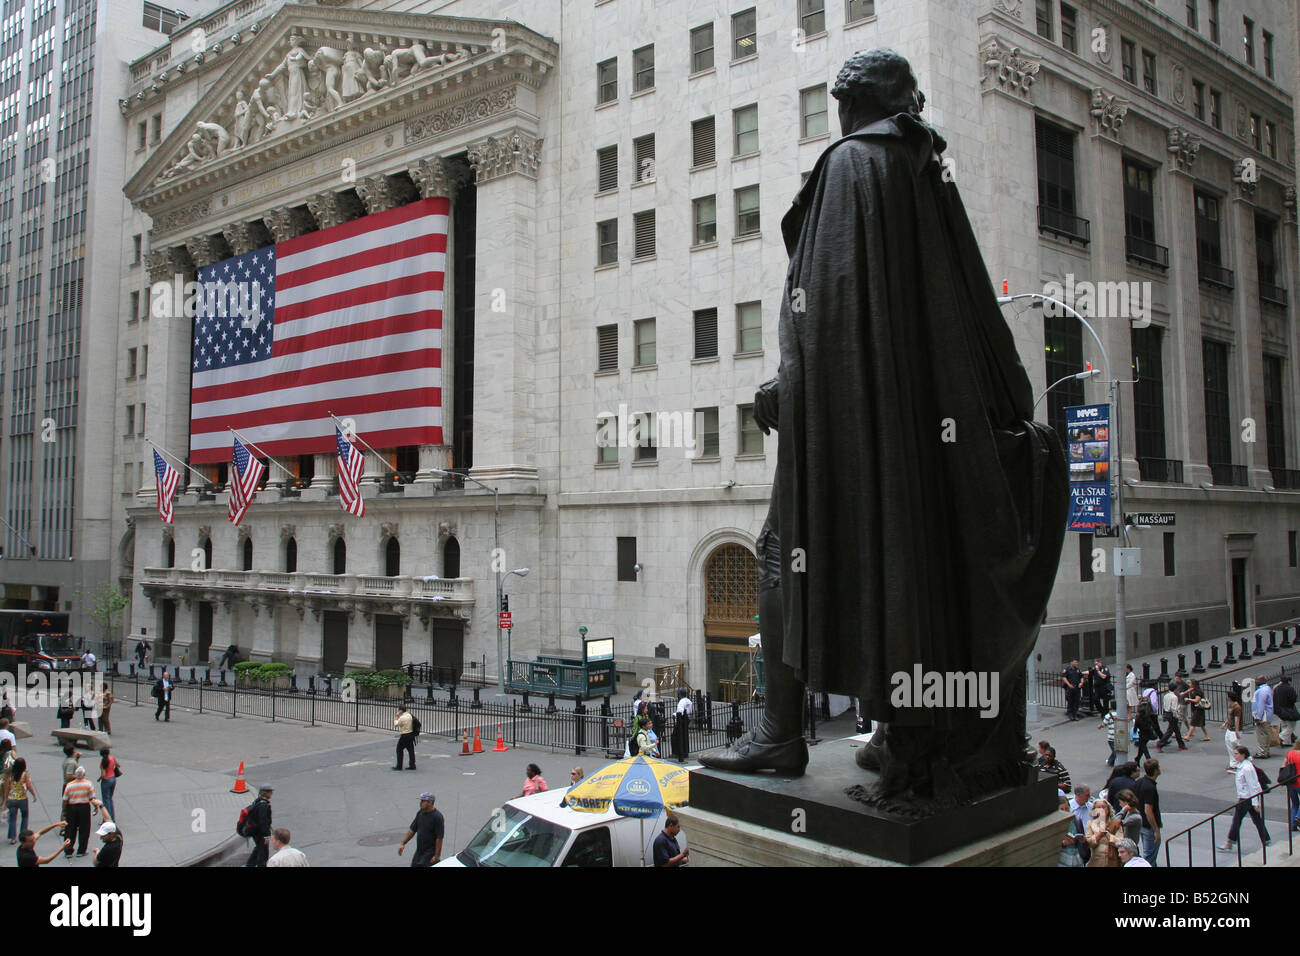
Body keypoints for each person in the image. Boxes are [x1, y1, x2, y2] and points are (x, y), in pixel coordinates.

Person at [697, 50, 1068, 804]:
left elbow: (828, 305)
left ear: (845, 102)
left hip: (852, 428)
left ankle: (778, 734)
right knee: (907, 568)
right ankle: (908, 731)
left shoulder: (853, 166)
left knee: (777, 553)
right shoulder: (923, 170)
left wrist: (787, 389)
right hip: (921, 431)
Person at [1219, 746, 1272, 852]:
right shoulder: (1244, 765)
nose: (1235, 756)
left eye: (1236, 754)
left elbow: (1253, 785)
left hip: (1246, 798)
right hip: (1247, 797)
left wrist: (1255, 803)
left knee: (1237, 820)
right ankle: (1266, 840)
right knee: (1257, 820)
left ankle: (1230, 842)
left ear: (1243, 754)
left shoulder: (1247, 768)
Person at [397, 792, 443, 866]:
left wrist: (437, 856)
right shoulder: (420, 813)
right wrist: (403, 843)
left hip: (430, 853)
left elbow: (439, 838)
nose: (420, 803)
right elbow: (412, 829)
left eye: (423, 801)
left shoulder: (437, 817)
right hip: (419, 851)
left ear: (430, 802)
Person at [1133, 759, 1162, 866]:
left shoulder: (1139, 782)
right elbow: (1148, 810)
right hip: (1148, 827)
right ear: (1155, 770)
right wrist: (1156, 830)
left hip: (1140, 823)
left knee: (1149, 855)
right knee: (1150, 857)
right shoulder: (1150, 787)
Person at [2, 756, 36, 845]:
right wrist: (34, 795)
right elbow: (28, 785)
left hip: (12, 799)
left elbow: (7, 788)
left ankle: (13, 838)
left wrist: (6, 799)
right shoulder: (25, 774)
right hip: (22, 799)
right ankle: (23, 837)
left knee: (12, 818)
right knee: (25, 817)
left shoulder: (11, 775)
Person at [62, 766, 95, 858]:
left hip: (72, 807)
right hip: (84, 807)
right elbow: (92, 797)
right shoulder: (88, 784)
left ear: (75, 775)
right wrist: (96, 807)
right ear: (84, 774)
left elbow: (65, 799)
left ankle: (68, 850)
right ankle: (81, 850)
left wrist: (64, 810)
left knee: (70, 829)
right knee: (84, 829)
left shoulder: (69, 785)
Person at [1084, 800, 1122, 868]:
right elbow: (1088, 843)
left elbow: (1120, 842)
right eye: (1098, 808)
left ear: (1108, 809)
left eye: (1103, 807)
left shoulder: (1116, 823)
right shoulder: (1091, 823)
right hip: (1095, 861)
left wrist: (1107, 834)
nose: (1101, 810)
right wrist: (1100, 834)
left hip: (1112, 860)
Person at [244, 785, 273, 867]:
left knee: (259, 848)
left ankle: (250, 864)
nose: (271, 794)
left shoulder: (257, 801)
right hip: (260, 832)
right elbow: (263, 821)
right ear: (265, 793)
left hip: (255, 831)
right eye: (270, 792)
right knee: (263, 852)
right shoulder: (263, 805)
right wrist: (266, 835)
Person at [1155, 681, 1187, 751]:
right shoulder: (1174, 697)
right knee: (1170, 731)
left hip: (1167, 713)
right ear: (1175, 689)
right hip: (1172, 715)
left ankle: (1181, 745)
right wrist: (1177, 715)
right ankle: (1160, 744)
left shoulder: (1166, 695)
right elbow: (1174, 708)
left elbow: (1164, 705)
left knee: (1176, 730)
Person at [1253, 675, 1275, 759]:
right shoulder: (1267, 689)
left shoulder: (1262, 691)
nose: (1255, 681)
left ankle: (1263, 752)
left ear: (1262, 680)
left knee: (1261, 734)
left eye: (1257, 680)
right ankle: (1266, 751)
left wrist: (1258, 717)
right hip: (1267, 714)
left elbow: (1261, 704)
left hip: (1263, 716)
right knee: (1266, 733)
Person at [1223, 689, 1244, 771]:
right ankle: (1234, 762)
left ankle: (1241, 759)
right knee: (1229, 745)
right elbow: (1230, 717)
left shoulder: (1237, 707)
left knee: (1235, 745)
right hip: (1230, 728)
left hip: (1233, 730)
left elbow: (1237, 719)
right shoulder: (1231, 705)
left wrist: (1237, 731)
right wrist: (1225, 723)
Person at [98, 748, 120, 822]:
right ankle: (112, 817)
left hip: (106, 781)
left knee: (106, 800)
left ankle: (107, 818)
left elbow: (103, 775)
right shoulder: (112, 758)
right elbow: (118, 765)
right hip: (113, 779)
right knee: (110, 798)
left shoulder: (103, 762)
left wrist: (99, 778)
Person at [1276, 676, 1299, 747]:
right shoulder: (1289, 688)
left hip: (1280, 709)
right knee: (1292, 726)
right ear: (1288, 681)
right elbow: (1293, 699)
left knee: (1284, 725)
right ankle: (1281, 736)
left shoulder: (1277, 688)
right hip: (1289, 709)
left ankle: (1287, 742)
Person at [671, 689, 693, 763]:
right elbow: (690, 711)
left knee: (675, 736)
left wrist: (674, 714)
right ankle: (685, 752)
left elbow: (680, 711)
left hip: (681, 719)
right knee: (684, 735)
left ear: (680, 695)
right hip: (687, 719)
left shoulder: (681, 701)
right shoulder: (689, 701)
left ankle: (676, 752)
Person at [392, 704, 416, 771]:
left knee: (399, 749)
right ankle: (412, 765)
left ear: (400, 711)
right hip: (411, 734)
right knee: (411, 750)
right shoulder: (409, 715)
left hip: (404, 735)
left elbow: (396, 724)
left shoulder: (402, 718)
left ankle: (399, 766)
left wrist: (397, 717)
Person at [1284, 737, 1300, 831]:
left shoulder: (1290, 753)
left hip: (1290, 782)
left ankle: (1292, 825)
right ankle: (1298, 817)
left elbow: (1284, 765)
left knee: (1294, 803)